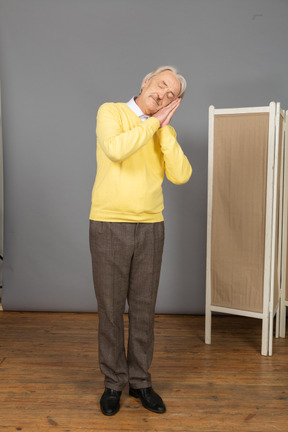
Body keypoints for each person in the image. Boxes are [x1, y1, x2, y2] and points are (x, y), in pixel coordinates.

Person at [89, 65, 192, 416]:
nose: (162, 94)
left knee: (144, 310)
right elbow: (117, 150)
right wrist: (152, 124)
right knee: (111, 310)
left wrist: (164, 132)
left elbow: (181, 175)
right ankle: (113, 383)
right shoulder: (111, 112)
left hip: (150, 226)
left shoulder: (162, 131)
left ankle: (140, 382)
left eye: (171, 95)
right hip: (108, 223)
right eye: (161, 85)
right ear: (146, 81)